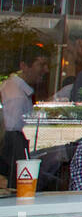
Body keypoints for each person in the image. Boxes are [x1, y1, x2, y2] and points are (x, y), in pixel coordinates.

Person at [1, 44, 49, 183]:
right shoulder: (16, 96)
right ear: (24, 66)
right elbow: (12, 136)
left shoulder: (17, 89)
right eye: (41, 65)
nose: (46, 70)